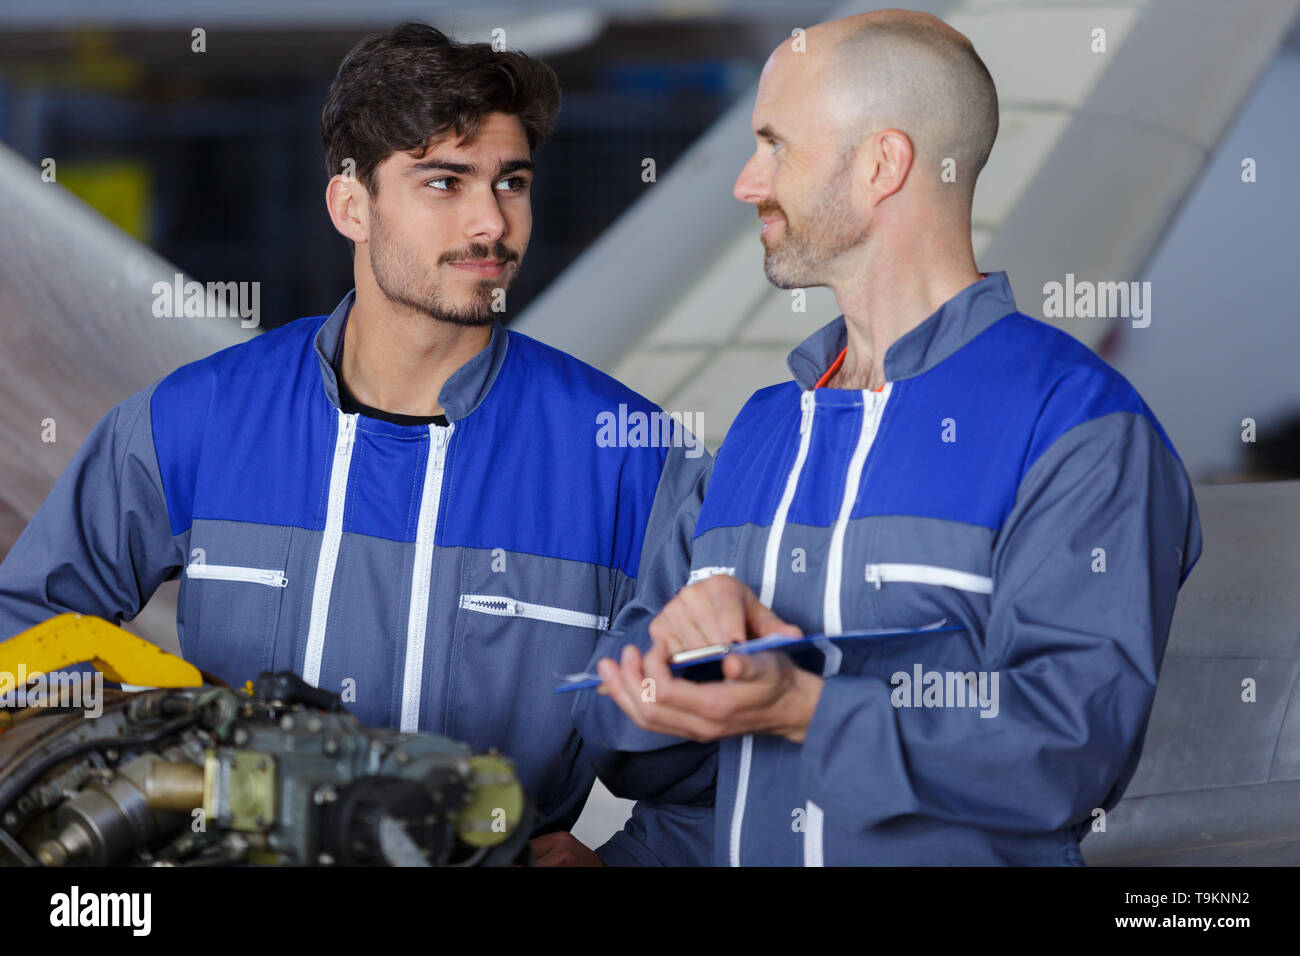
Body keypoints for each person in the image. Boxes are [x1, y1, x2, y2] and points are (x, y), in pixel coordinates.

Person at [0, 23, 707, 854]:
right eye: (444, 183)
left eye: (510, 182)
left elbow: (707, 781)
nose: (491, 223)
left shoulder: (628, 460)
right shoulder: (195, 420)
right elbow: (26, 633)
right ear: (351, 205)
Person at [574, 10, 1203, 866]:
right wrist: (671, 667)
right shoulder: (763, 429)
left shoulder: (1081, 428)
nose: (747, 182)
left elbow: (1070, 750)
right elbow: (635, 749)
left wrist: (801, 707)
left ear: (882, 165)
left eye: (774, 145)